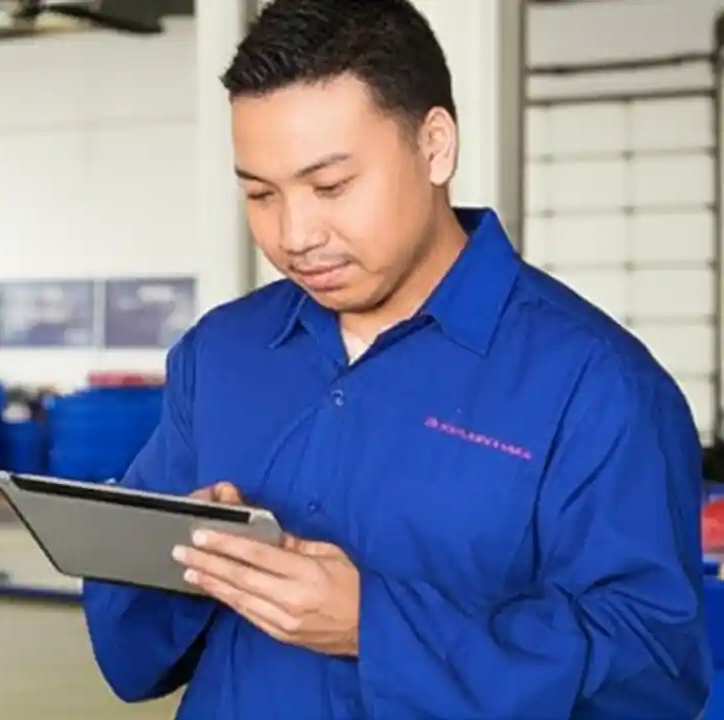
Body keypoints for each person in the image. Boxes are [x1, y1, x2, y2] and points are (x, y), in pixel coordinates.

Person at [79, 0, 713, 717]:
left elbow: (654, 671)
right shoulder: (221, 354)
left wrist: (375, 629)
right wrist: (185, 558)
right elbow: (126, 644)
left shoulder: (597, 386)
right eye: (260, 193)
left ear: (436, 146)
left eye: (331, 186)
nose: (294, 235)